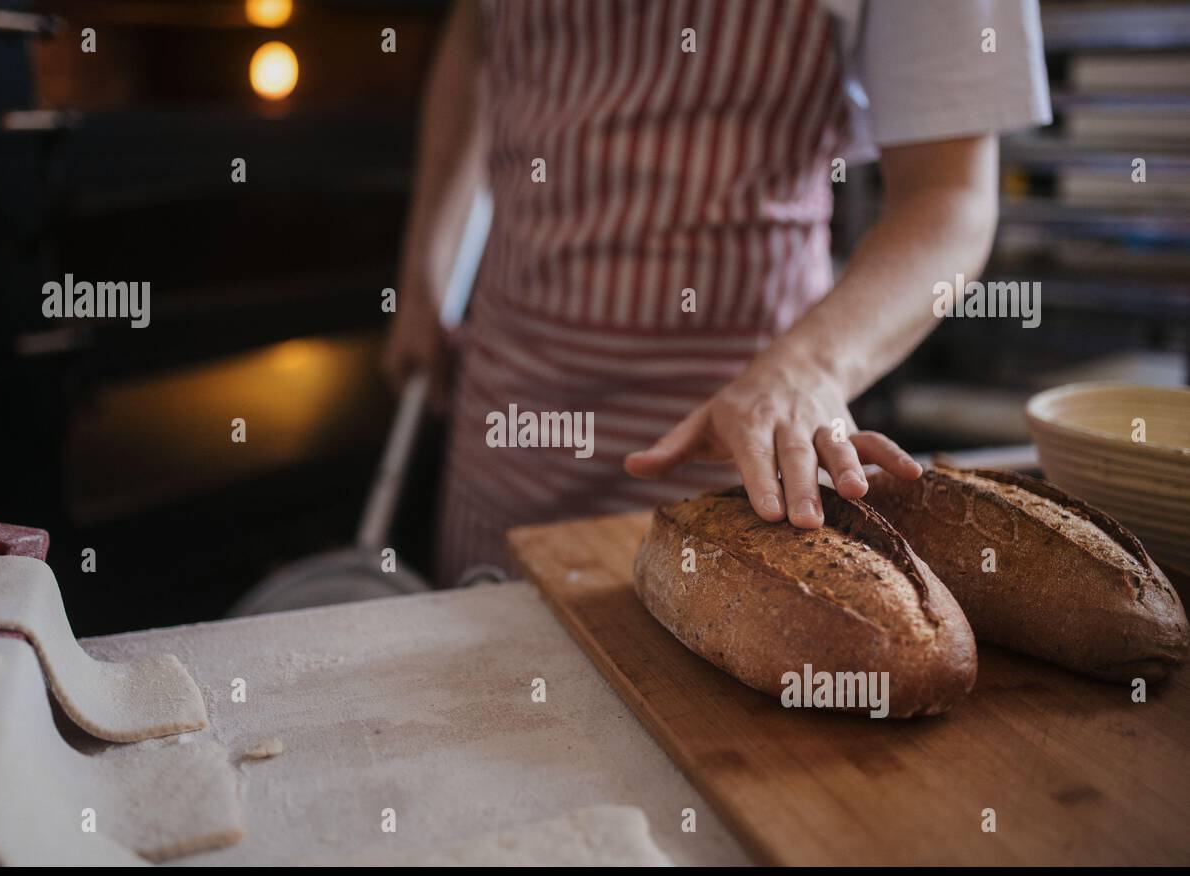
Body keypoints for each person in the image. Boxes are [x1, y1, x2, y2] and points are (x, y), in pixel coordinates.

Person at [383, 0, 1052, 587]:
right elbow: (474, 39)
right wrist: (423, 277)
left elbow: (950, 197)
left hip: (737, 443)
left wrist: (807, 372)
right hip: (511, 417)